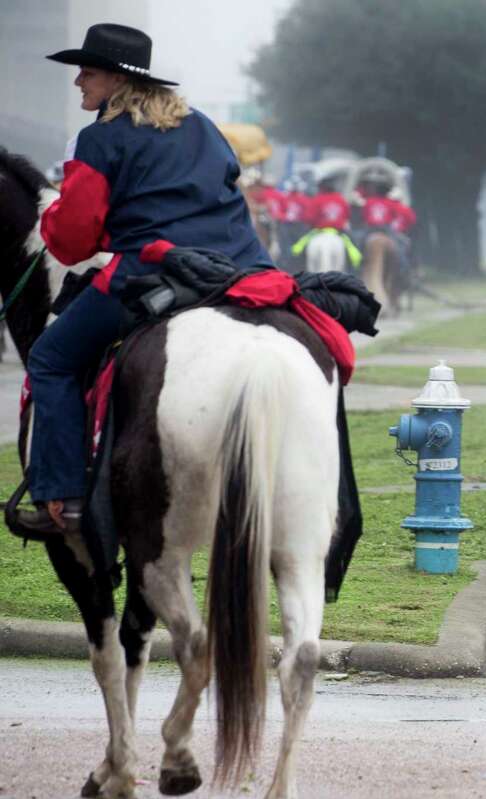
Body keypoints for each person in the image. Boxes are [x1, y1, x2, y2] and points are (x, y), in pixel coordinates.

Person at [16, 23, 272, 534]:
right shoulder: (202, 126)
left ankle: (62, 495)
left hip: (153, 272)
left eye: (87, 72)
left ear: (116, 78)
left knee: (49, 358)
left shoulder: (98, 139)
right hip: (238, 270)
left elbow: (74, 241)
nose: (78, 81)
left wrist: (53, 217)